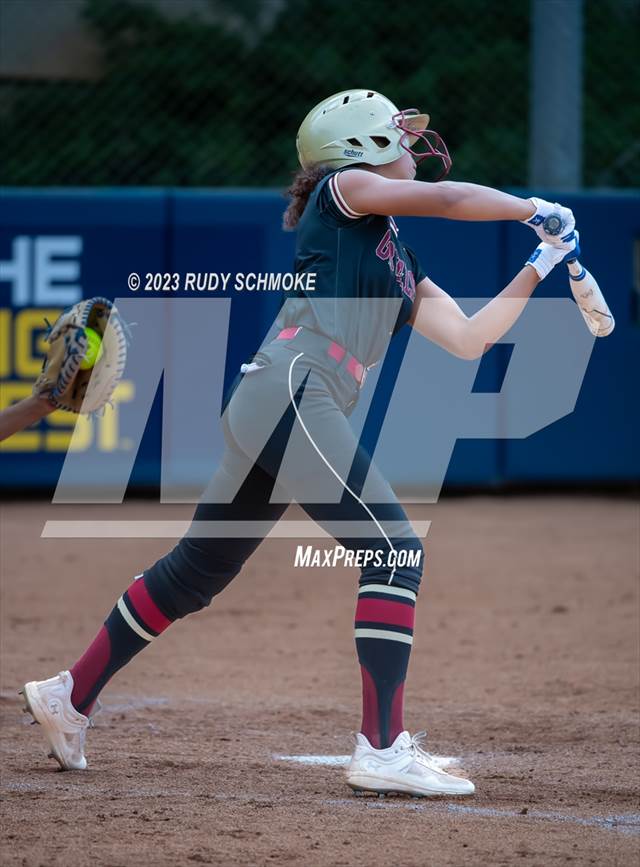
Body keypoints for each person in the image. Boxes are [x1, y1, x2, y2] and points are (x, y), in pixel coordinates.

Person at [21, 89, 578, 798]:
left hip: (281, 398)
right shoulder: (343, 191)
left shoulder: (395, 256)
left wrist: (541, 260)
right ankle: (381, 749)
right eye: (393, 136)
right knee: (395, 549)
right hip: (295, 390)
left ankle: (69, 693)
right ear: (358, 148)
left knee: (195, 571)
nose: (410, 145)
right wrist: (531, 203)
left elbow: (471, 340)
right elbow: (448, 199)